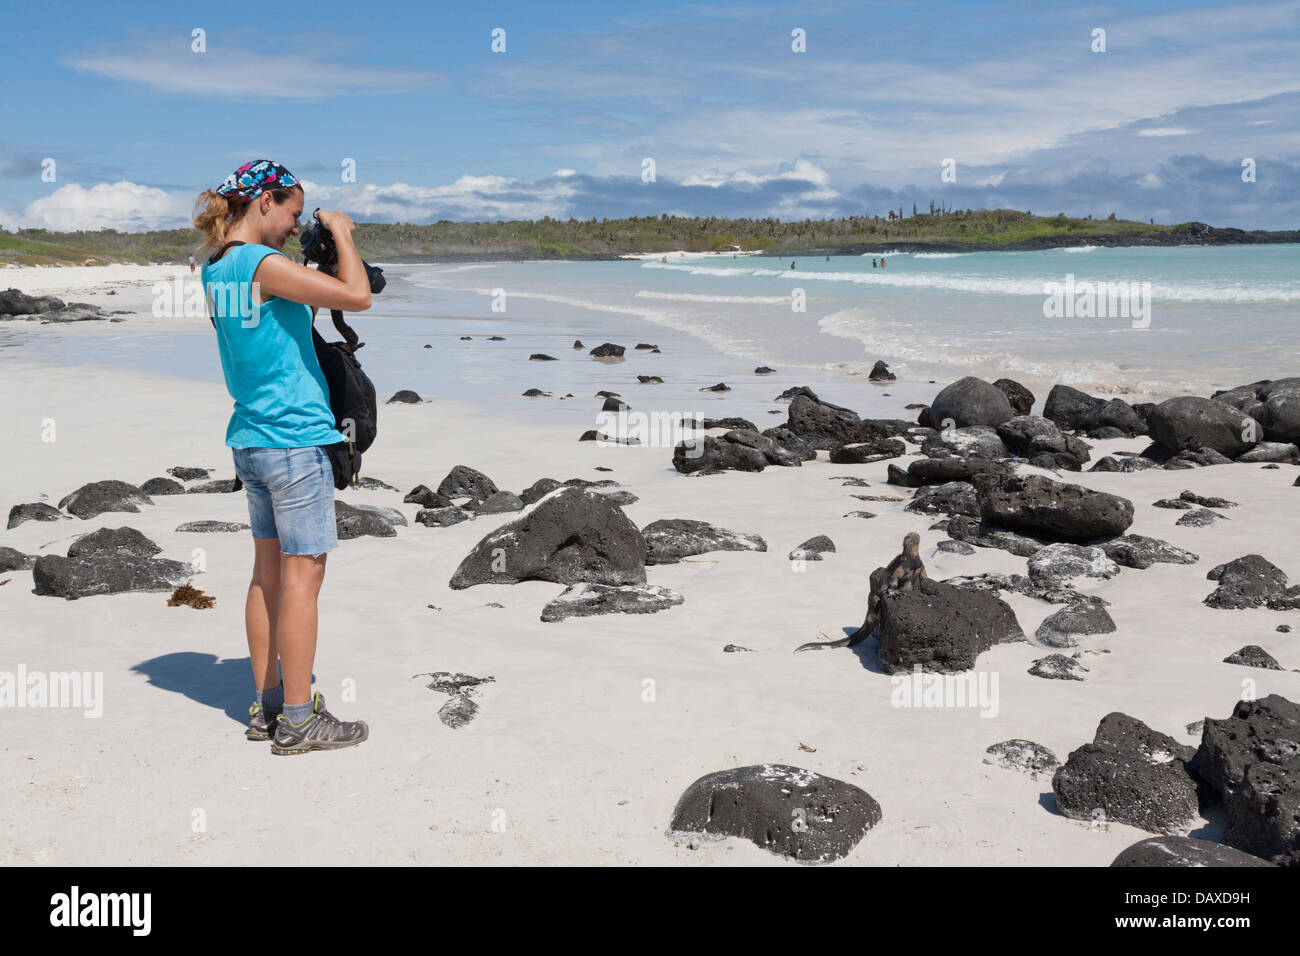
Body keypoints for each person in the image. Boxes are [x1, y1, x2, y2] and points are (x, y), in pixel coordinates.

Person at [193, 159, 373, 755]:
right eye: (294, 213)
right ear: (264, 202)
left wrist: (314, 256)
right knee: (302, 579)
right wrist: (342, 233)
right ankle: (299, 720)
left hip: (251, 437)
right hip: (293, 440)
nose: (298, 227)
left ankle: (269, 706)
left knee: (266, 575)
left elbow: (282, 322)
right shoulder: (263, 265)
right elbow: (357, 296)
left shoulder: (218, 267)